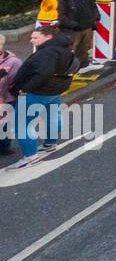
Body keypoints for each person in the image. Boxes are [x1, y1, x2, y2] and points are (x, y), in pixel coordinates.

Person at [8, 25, 75, 161]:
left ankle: (30, 156)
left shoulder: (47, 53)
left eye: (35, 38)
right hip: (55, 89)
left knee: (22, 124)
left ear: (49, 37)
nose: (31, 40)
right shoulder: (64, 47)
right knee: (53, 117)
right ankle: (50, 143)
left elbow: (43, 74)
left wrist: (25, 88)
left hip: (38, 92)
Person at [56, 0, 96, 71]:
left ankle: (84, 64)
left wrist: (94, 17)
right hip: (72, 30)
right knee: (71, 49)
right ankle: (68, 68)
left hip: (87, 27)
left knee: (84, 47)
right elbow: (61, 16)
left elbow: (92, 7)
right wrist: (74, 25)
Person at [0, 35, 21, 156]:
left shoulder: (14, 62)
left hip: (7, 99)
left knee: (5, 125)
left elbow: (16, 82)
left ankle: (3, 146)